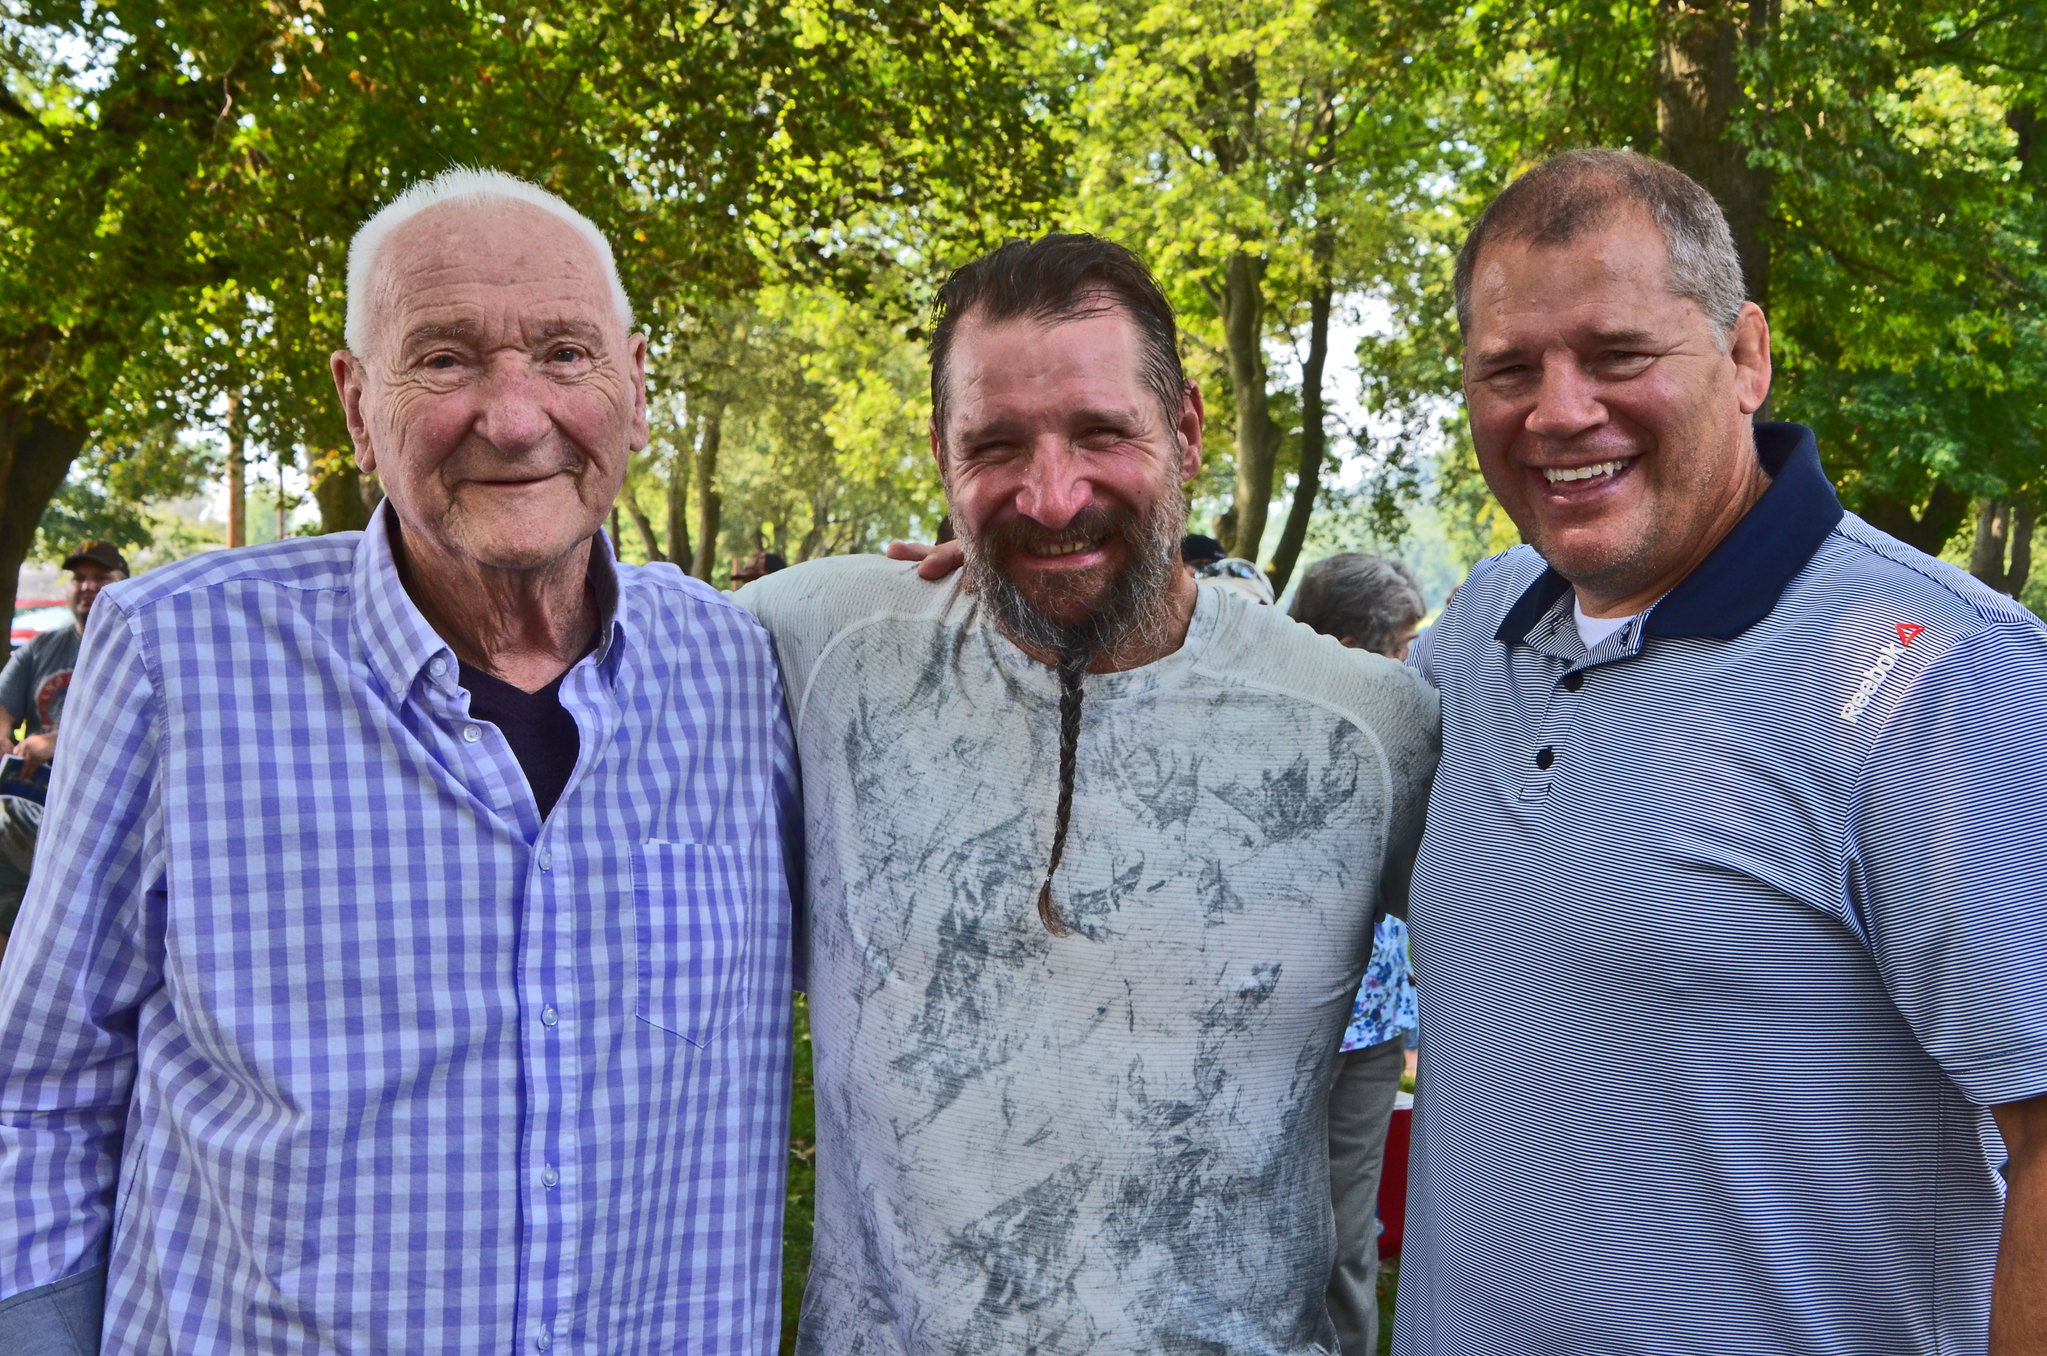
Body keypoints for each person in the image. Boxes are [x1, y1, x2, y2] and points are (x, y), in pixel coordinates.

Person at [0, 169, 797, 1355]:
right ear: (357, 404)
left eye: (565, 354)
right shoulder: (179, 657)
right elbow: (41, 1092)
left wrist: (982, 585)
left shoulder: (745, 668)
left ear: (636, 388)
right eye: (445, 358)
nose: (514, 417)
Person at [1394, 149, 2047, 1355]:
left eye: (1616, 355)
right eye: (1508, 370)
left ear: (1745, 357)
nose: (1558, 412)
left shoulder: (1936, 670)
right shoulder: (1482, 623)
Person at [741, 233, 1439, 1354]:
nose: (1052, 496)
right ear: (939, 453)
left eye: (1102, 434)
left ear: (1188, 430)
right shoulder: (818, 644)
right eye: (995, 446)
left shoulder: (1369, 726)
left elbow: (1541, 1005)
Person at [1288, 552, 1427, 1356]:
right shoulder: (1260, 726)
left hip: (1370, 1030)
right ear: (1346, 646)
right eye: (1401, 644)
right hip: (1279, 1030)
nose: (1413, 660)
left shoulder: (1408, 731)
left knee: (1345, 1238)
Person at [0, 541, 126, 962]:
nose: (87, 586)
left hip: (104, 810)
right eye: (79, 578)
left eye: (101, 578)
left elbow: (136, 726)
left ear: (124, 584)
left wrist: (58, 743)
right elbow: (2, 706)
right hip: (34, 800)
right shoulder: (42, 648)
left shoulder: (134, 648)